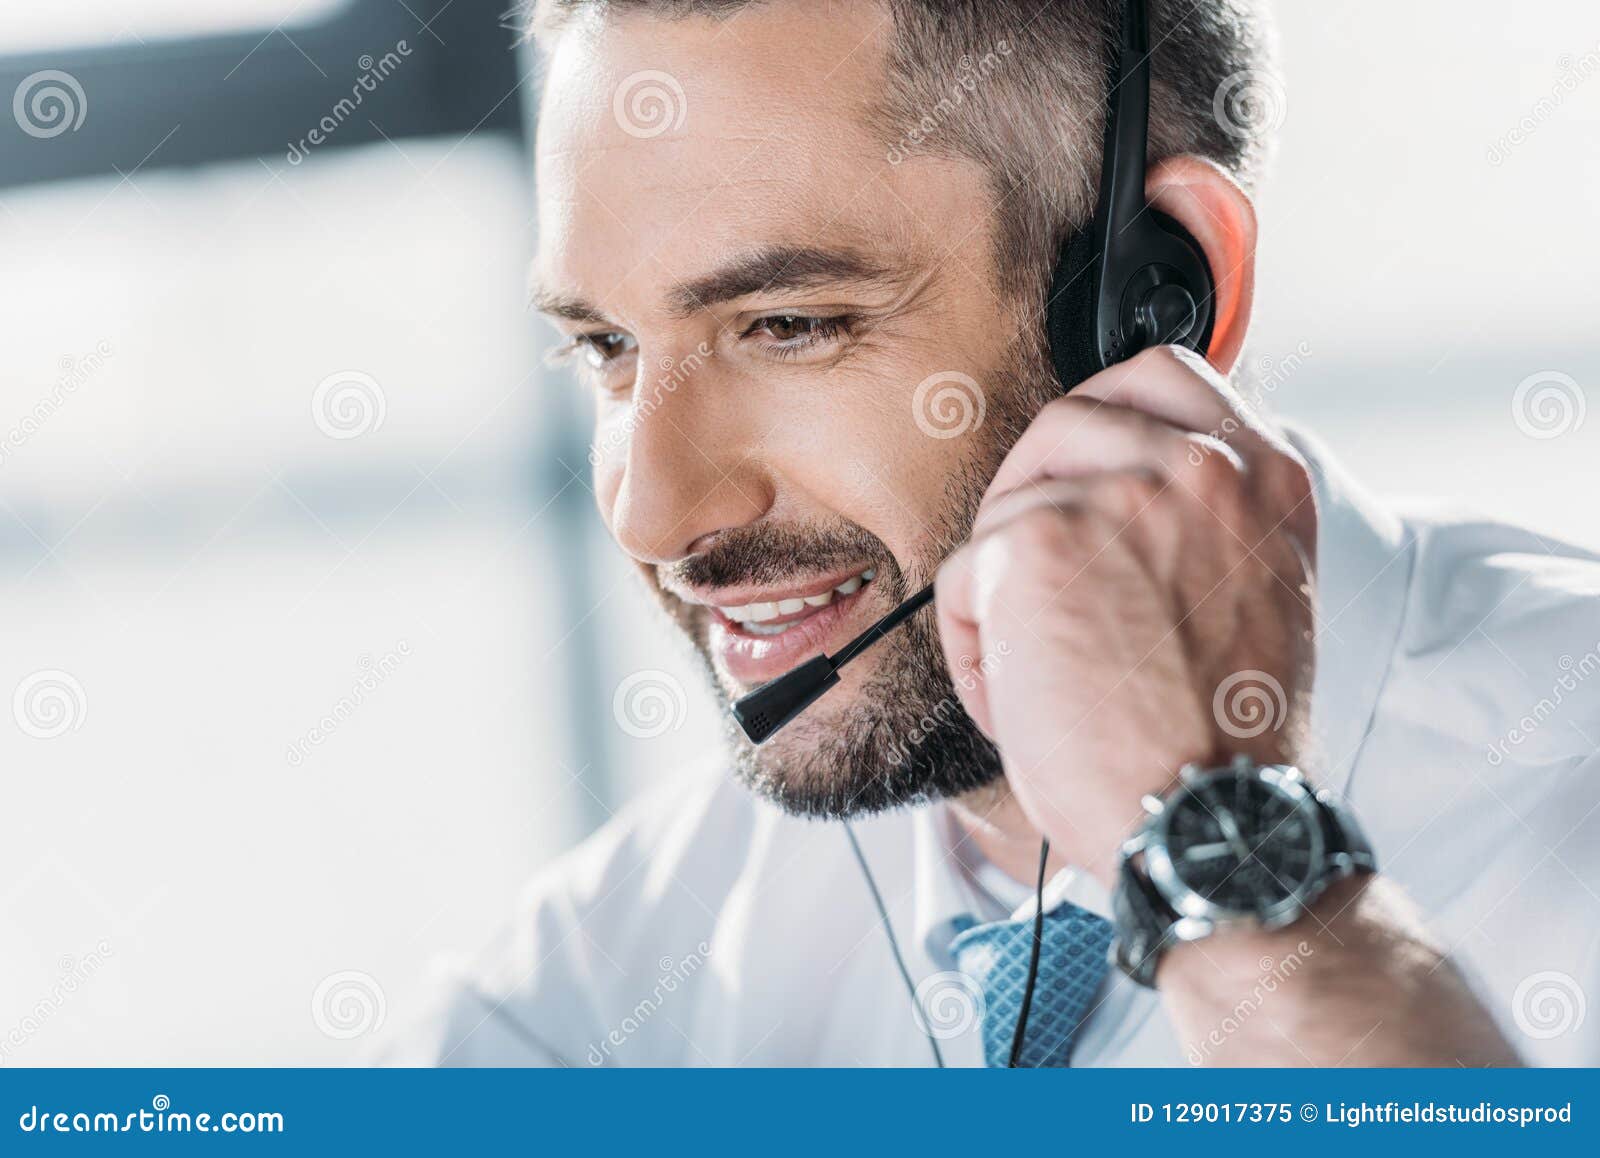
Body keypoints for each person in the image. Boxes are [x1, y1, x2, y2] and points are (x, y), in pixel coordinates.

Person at [388, 0, 1599, 1066]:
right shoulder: (635, 957)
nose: (652, 513)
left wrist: (1233, 864)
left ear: (1156, 297)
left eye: (790, 326)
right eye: (606, 348)